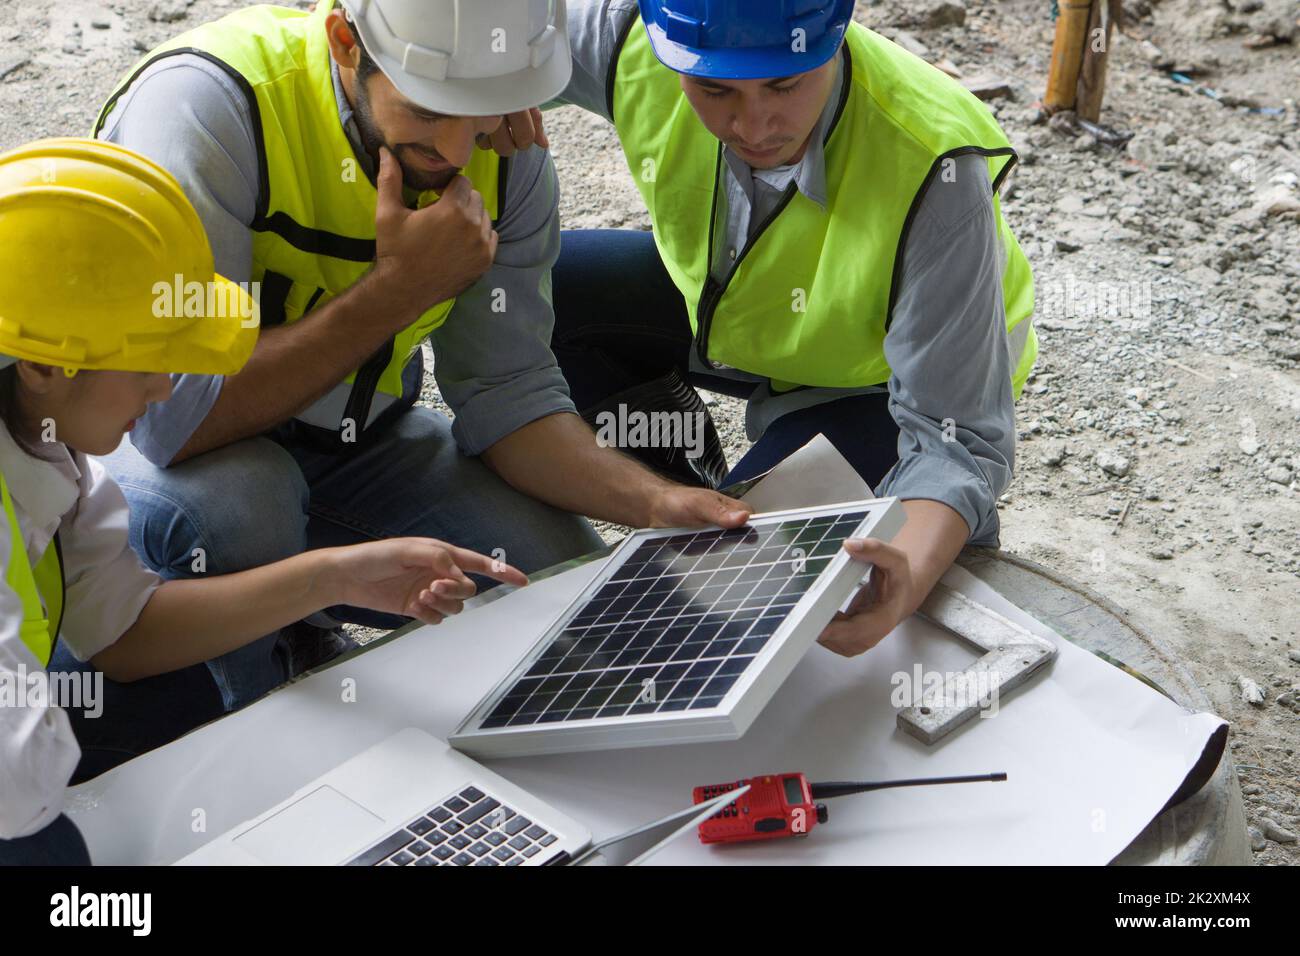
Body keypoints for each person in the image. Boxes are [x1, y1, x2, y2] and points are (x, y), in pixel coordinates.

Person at [82, 0, 752, 716]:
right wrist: (400, 289)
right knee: (248, 506)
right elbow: (174, 421)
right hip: (166, 464)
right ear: (346, 43)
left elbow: (510, 395)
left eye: (483, 110)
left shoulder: (504, 149)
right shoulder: (207, 109)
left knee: (560, 584)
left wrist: (652, 500)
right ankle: (262, 714)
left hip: (363, 446)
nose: (460, 151)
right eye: (430, 109)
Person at [0, 137, 527, 864]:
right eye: (150, 360)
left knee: (187, 696)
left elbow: (120, 636)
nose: (164, 389)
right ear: (43, 364)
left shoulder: (45, 440)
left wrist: (334, 575)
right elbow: (19, 805)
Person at [549, 0, 1038, 657]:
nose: (752, 125)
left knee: (724, 606)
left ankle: (766, 516)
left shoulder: (934, 163)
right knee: (553, 287)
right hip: (744, 316)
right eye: (713, 88)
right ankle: (689, 497)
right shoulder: (637, 40)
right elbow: (474, 37)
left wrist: (909, 575)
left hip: (876, 384)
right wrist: (491, 98)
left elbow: (958, 442)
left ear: (834, 40)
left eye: (785, 83)